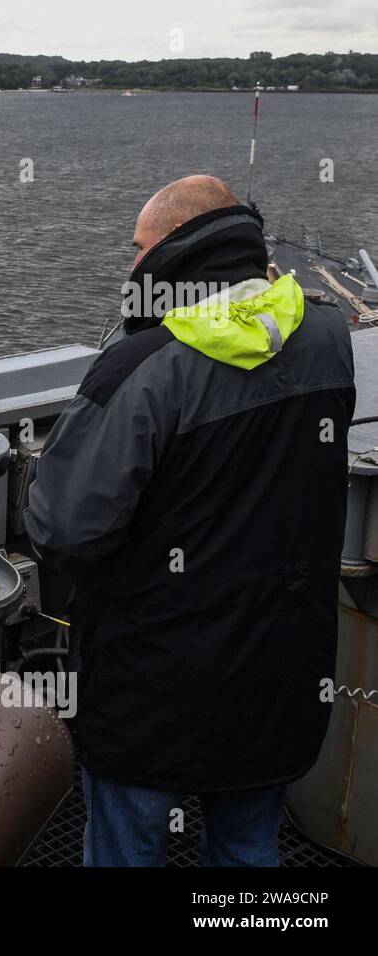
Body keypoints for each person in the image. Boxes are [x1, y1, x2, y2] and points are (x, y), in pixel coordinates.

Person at [24, 176, 356, 866]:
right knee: (247, 851)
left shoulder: (141, 368)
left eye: (139, 249)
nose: (131, 267)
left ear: (174, 255)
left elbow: (66, 530)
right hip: (282, 676)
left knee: (128, 849)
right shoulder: (328, 335)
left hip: (156, 691)